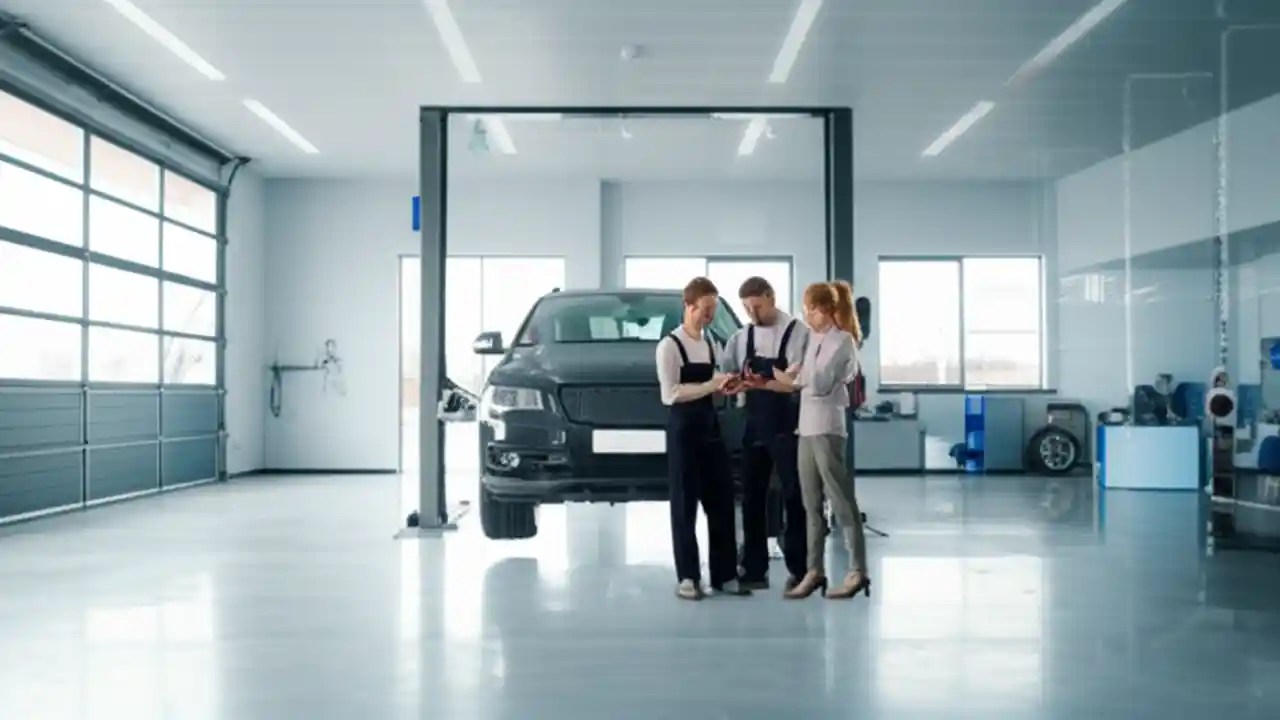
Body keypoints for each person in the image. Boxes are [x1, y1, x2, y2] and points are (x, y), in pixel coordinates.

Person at [766, 280, 871, 600]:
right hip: (806, 428)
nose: (807, 315)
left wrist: (796, 380)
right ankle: (815, 570)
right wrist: (785, 378)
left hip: (828, 428)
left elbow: (821, 383)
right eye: (805, 309)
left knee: (841, 501)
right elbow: (796, 375)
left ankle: (857, 571)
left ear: (826, 309)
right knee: (810, 503)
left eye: (811, 309)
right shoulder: (812, 339)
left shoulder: (843, 342)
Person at [655, 276, 751, 600]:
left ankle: (724, 574)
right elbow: (671, 394)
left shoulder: (712, 344)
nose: (709, 316)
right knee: (684, 504)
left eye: (713, 310)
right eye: (706, 310)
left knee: (721, 499)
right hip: (683, 429)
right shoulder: (670, 345)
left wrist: (732, 384)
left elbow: (716, 383)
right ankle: (688, 577)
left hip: (710, 426)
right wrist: (712, 385)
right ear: (689, 305)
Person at [720, 276, 809, 592]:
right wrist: (731, 382)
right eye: (746, 308)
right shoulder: (742, 337)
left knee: (794, 495)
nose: (751, 314)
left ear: (771, 297)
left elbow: (798, 379)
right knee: (752, 497)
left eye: (756, 306)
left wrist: (767, 380)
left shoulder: (797, 333)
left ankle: (800, 568)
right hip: (753, 424)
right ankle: (754, 568)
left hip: (788, 424)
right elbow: (727, 370)